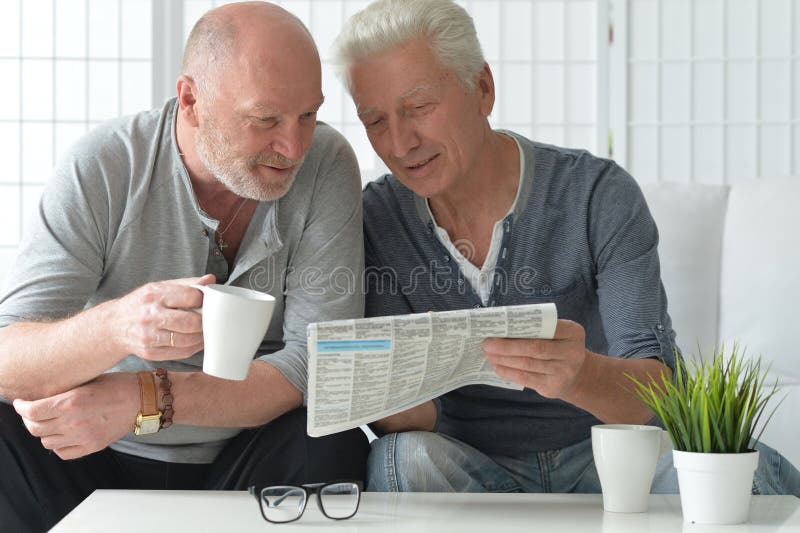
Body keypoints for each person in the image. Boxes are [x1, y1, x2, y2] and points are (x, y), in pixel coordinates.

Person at [332, 0, 800, 495]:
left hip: (615, 454)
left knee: (732, 472)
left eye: (419, 108)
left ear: (483, 89)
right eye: (375, 121)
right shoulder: (375, 219)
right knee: (400, 457)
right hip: (476, 471)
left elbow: (658, 390)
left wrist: (582, 375)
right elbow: (416, 418)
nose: (400, 143)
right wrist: (384, 401)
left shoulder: (596, 194)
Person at [0, 3, 369, 531]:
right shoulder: (106, 164)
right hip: (93, 451)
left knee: (331, 439)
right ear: (192, 101)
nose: (293, 147)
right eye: (265, 120)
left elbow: (320, 364)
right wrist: (116, 325)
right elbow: (7, 356)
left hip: (244, 455)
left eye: (308, 115)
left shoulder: (326, 163)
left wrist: (145, 397)